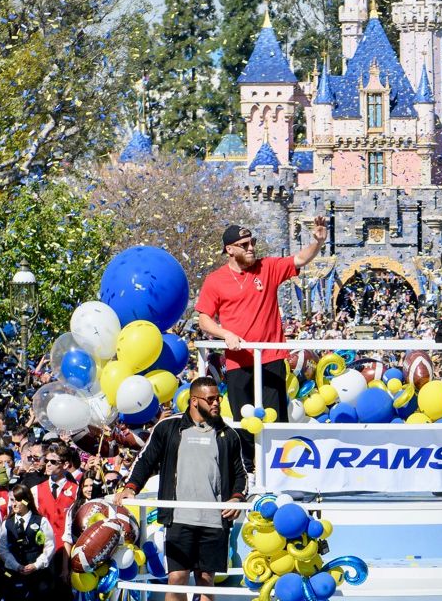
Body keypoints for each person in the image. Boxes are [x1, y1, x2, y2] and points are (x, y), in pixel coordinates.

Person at [114, 376, 249, 601]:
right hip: (179, 518)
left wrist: (236, 498)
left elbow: (240, 474)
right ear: (194, 401)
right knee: (177, 577)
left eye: (219, 398)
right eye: (211, 399)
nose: (217, 403)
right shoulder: (169, 427)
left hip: (214, 520)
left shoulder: (228, 434)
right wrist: (131, 487)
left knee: (206, 580)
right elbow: (145, 460)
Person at [196, 219, 327, 421]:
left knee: (275, 421)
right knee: (244, 424)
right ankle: (248, 455)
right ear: (229, 249)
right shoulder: (215, 280)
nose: (251, 248)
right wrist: (225, 334)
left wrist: (317, 242)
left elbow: (299, 260)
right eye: (244, 245)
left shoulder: (268, 267)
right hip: (238, 362)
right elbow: (204, 320)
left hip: (271, 359)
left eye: (252, 242)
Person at [0, 484, 55, 601]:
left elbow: (50, 546)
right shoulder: (7, 524)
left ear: (26, 500)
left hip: (38, 575)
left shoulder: (41, 521)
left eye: (18, 500)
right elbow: (3, 549)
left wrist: (36, 565)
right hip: (14, 574)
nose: (14, 504)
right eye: (12, 500)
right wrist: (16, 566)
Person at [31, 448, 78, 595]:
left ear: (65, 465)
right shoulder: (35, 490)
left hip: (67, 553)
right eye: (46, 461)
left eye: (53, 462)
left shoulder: (77, 490)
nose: (48, 465)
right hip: (43, 553)